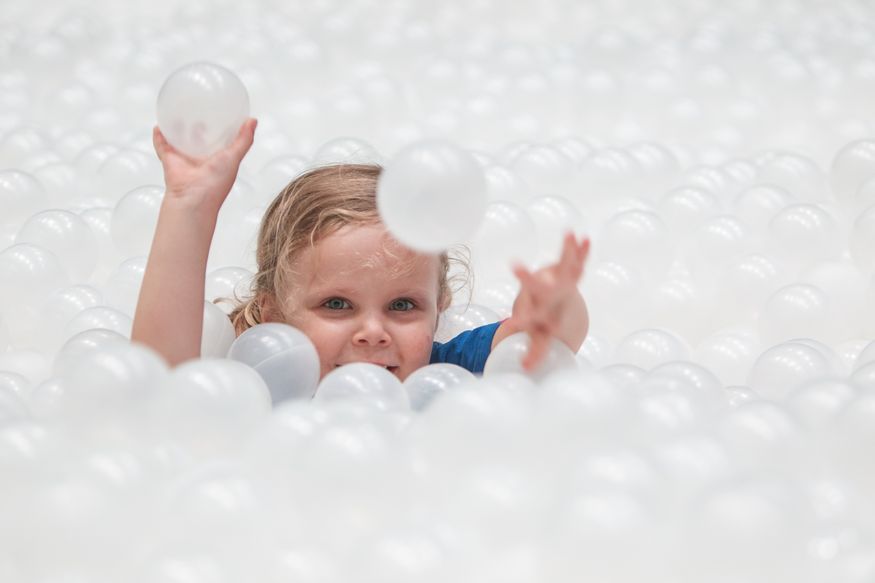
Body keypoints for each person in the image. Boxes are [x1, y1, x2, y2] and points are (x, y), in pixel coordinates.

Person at [132, 118, 590, 381]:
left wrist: (551, 307)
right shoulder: (266, 376)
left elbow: (548, 340)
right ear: (274, 314)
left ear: (439, 308)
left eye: (403, 305)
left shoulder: (442, 369)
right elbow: (158, 376)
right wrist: (188, 207)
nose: (373, 333)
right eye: (336, 304)